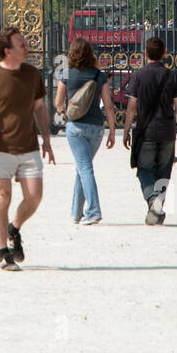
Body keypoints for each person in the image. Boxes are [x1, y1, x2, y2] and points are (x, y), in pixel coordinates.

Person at [0, 28, 55, 270]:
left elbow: (39, 107)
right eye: (22, 45)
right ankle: (2, 252)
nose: (27, 47)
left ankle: (14, 228)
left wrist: (47, 139)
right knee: (2, 197)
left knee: (35, 197)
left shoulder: (32, 74)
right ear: (7, 51)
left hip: (28, 144)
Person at [123, 37, 177, 223]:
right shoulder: (172, 76)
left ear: (146, 54)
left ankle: (152, 199)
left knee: (144, 170)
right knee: (164, 172)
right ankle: (155, 211)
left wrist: (126, 131)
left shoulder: (139, 75)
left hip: (146, 131)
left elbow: (132, 106)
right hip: (167, 131)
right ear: (164, 53)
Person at [54, 39, 116, 225]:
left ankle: (93, 211)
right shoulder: (99, 75)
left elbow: (58, 103)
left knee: (84, 167)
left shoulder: (66, 74)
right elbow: (109, 106)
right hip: (96, 127)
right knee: (83, 167)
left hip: (76, 127)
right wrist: (112, 131)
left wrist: (66, 111)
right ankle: (76, 212)